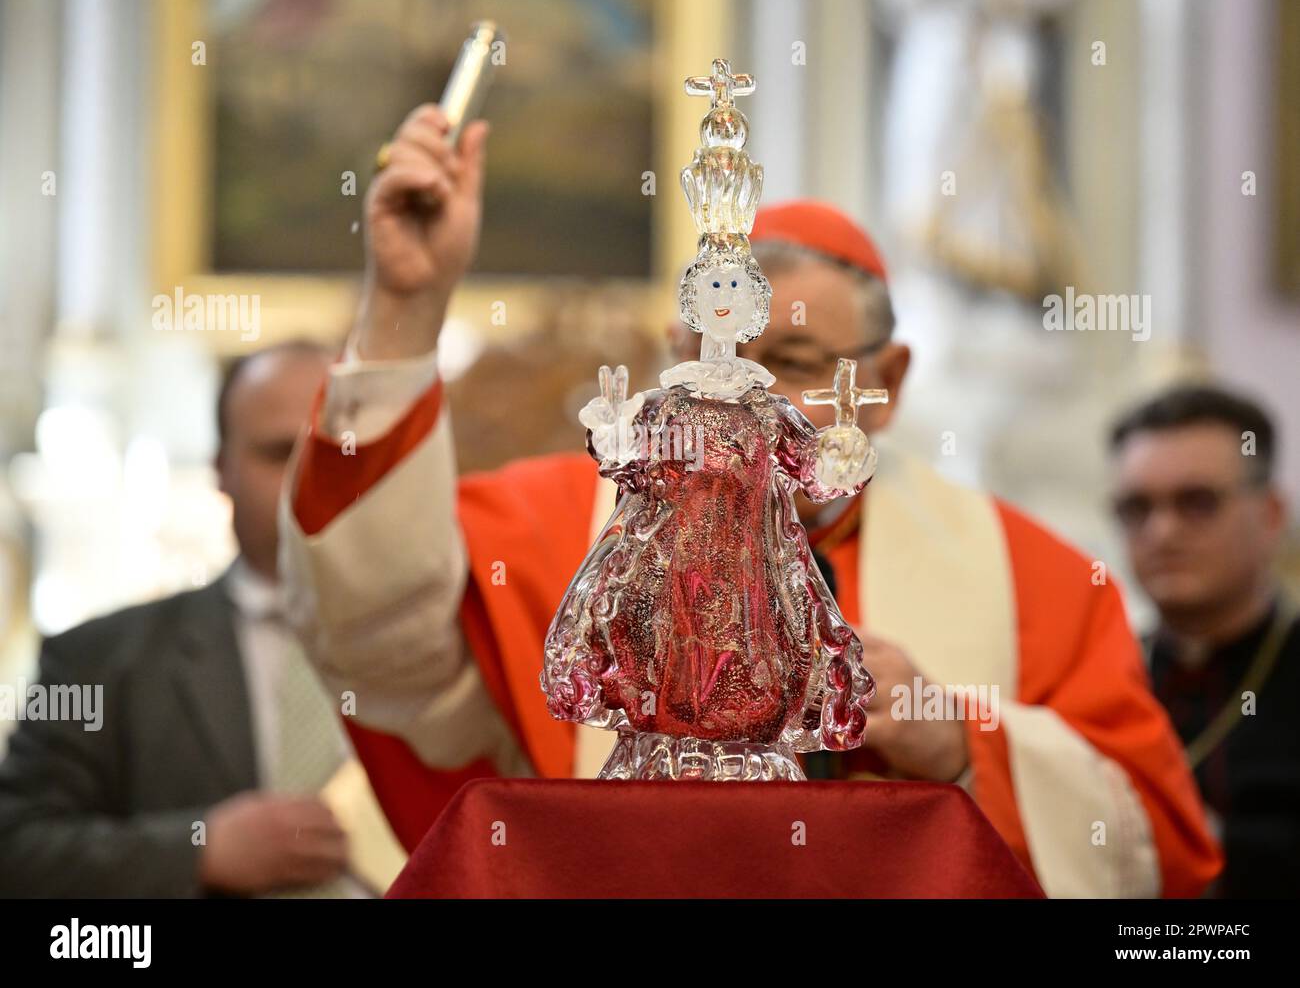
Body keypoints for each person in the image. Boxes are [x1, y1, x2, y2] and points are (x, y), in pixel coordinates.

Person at [281, 103, 1221, 897]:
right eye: (715, 348)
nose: (747, 385)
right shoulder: (542, 529)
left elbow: (1162, 851)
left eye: (798, 364)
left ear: (886, 382)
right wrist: (404, 309)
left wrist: (963, 741)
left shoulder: (1034, 581)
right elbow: (371, 628)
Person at [0, 342, 367, 897]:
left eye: (336, 454)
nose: (310, 480)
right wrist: (199, 849)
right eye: (278, 452)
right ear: (222, 469)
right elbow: (18, 853)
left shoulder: (454, 651)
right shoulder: (99, 659)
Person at [1109, 384, 1298, 897]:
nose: (1163, 532)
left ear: (1271, 515)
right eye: (1137, 508)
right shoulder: (1095, 671)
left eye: (1197, 503)